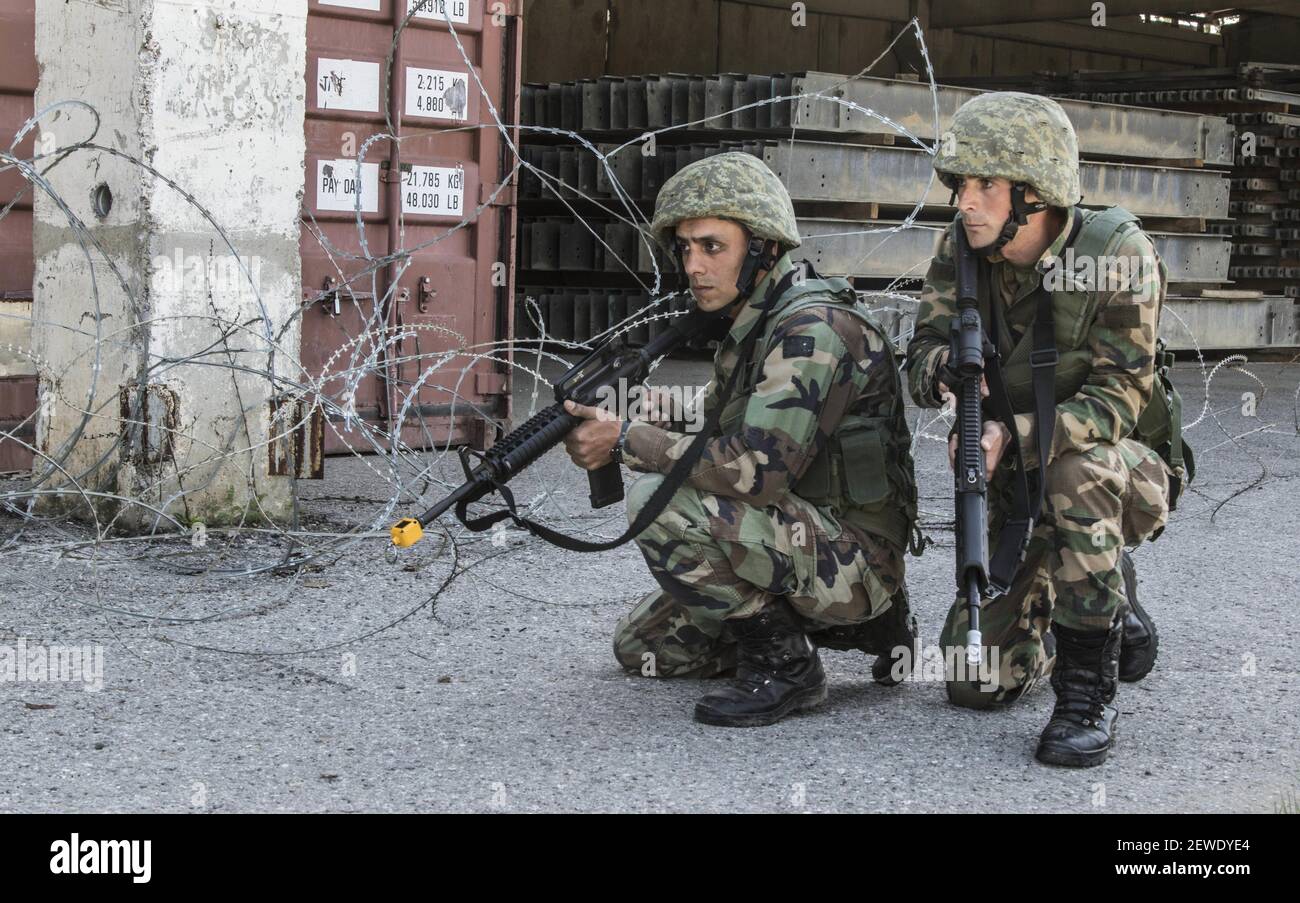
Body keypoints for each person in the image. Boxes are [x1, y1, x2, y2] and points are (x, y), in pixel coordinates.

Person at [561, 151, 920, 727]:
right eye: (685, 248)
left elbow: (755, 471)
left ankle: (788, 664)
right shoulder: (761, 318)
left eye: (712, 247)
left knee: (657, 499)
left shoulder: (810, 331)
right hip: (804, 531)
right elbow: (718, 415)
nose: (694, 266)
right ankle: (855, 625)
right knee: (647, 650)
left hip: (854, 550)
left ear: (762, 247)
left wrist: (627, 439)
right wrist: (635, 409)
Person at [906, 92, 1174, 767]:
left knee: (1074, 475)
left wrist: (1014, 435)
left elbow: (1121, 398)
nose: (966, 200)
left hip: (1118, 468)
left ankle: (1086, 690)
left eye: (985, 185)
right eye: (961, 184)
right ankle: (1089, 585)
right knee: (972, 683)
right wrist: (945, 370)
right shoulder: (962, 249)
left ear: (1036, 193)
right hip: (1017, 486)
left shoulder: (1116, 251)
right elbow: (917, 359)